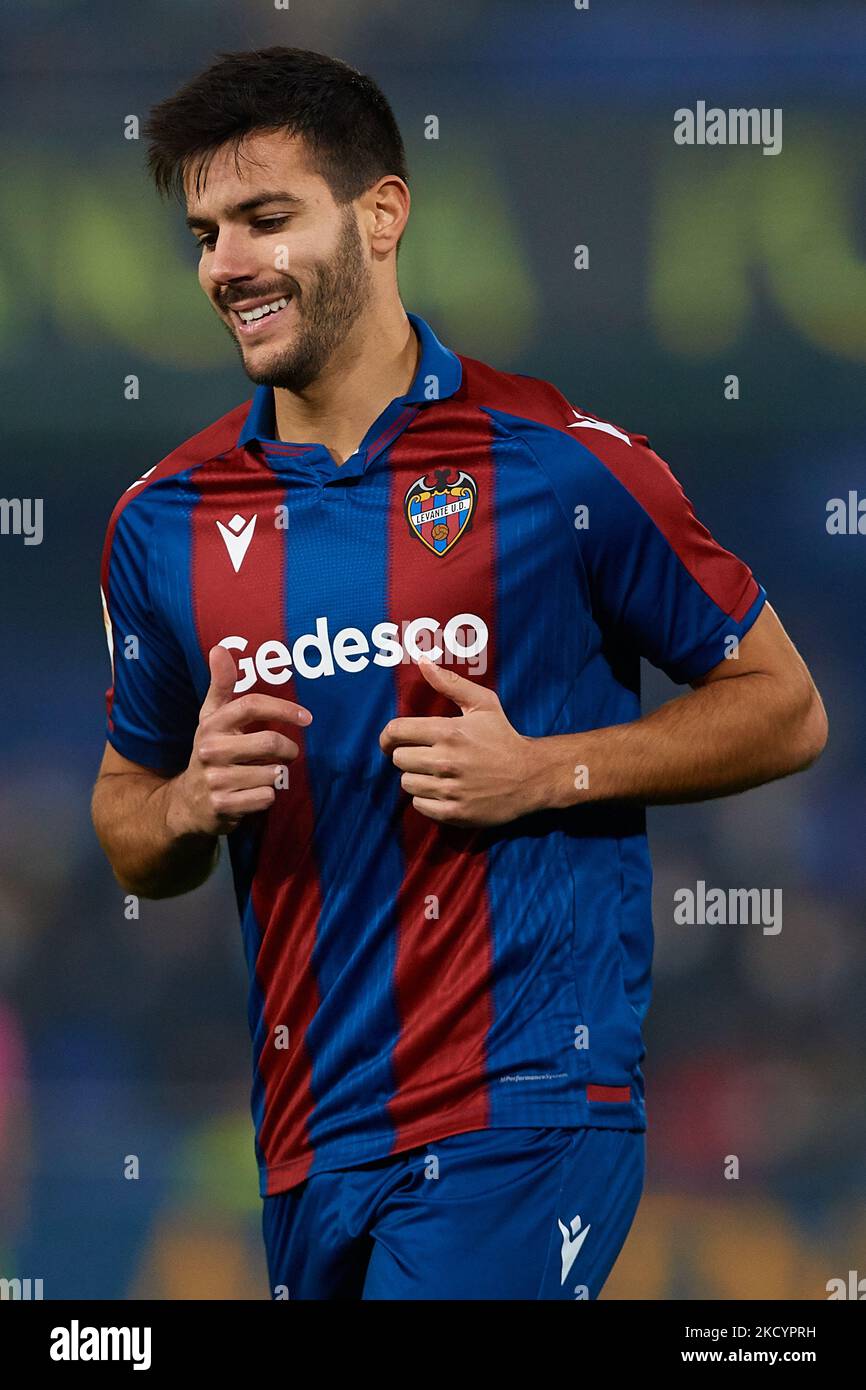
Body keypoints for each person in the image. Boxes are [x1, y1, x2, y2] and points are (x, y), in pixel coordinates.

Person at [91, 47, 828, 1301]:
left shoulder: (556, 464)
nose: (227, 263)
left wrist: (547, 768)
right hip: (308, 1136)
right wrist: (184, 801)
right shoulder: (160, 520)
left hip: (526, 1106)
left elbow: (784, 707)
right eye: (208, 231)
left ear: (381, 215)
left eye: (268, 218)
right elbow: (128, 818)